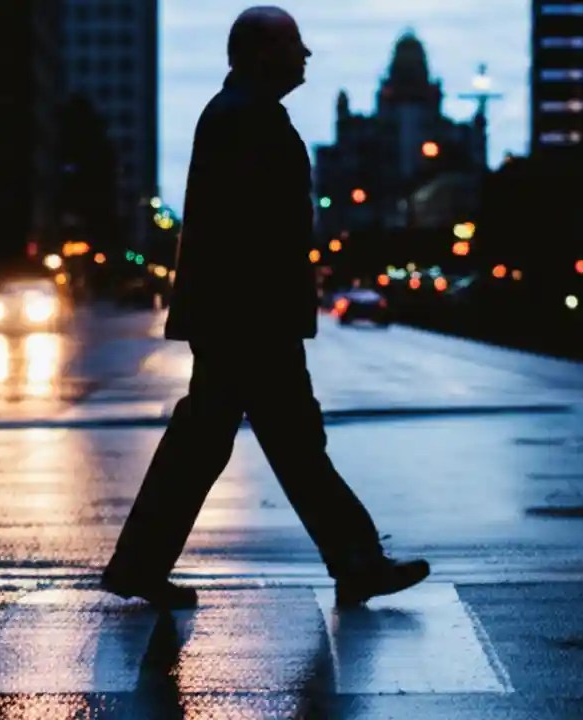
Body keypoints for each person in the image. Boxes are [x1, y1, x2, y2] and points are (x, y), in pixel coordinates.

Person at [100, 6, 429, 610]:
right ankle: (355, 561)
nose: (304, 56)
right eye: (293, 46)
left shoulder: (243, 114)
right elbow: (252, 232)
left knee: (233, 442)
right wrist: (277, 311)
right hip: (250, 318)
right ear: (261, 55)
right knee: (282, 442)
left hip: (240, 316)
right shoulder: (246, 118)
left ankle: (140, 566)